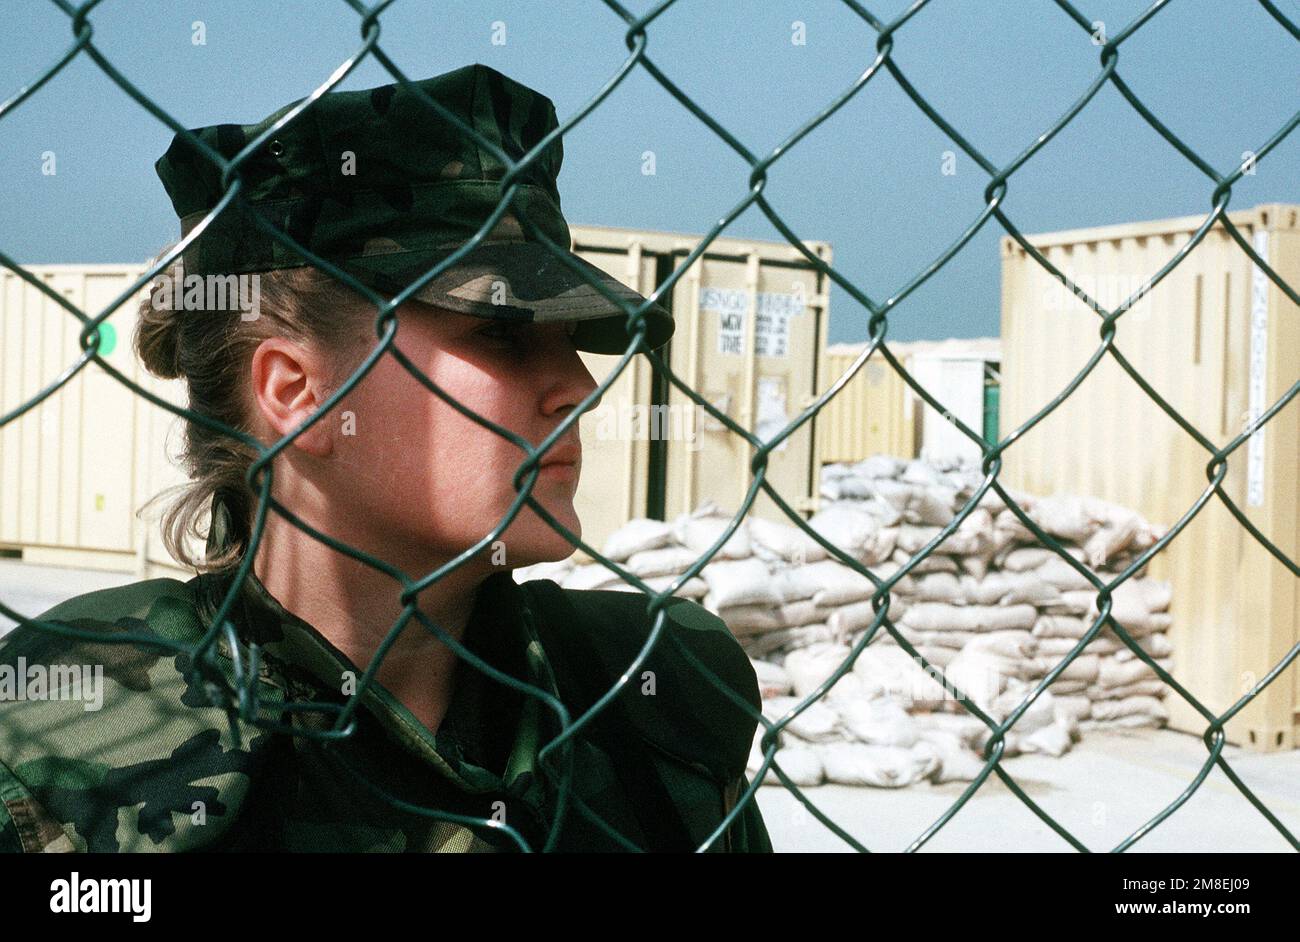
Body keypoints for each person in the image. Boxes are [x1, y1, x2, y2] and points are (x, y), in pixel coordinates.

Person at [0, 64, 772, 853]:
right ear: (298, 393)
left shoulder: (649, 699)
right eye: (502, 331)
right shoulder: (68, 746)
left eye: (570, 337)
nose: (579, 386)